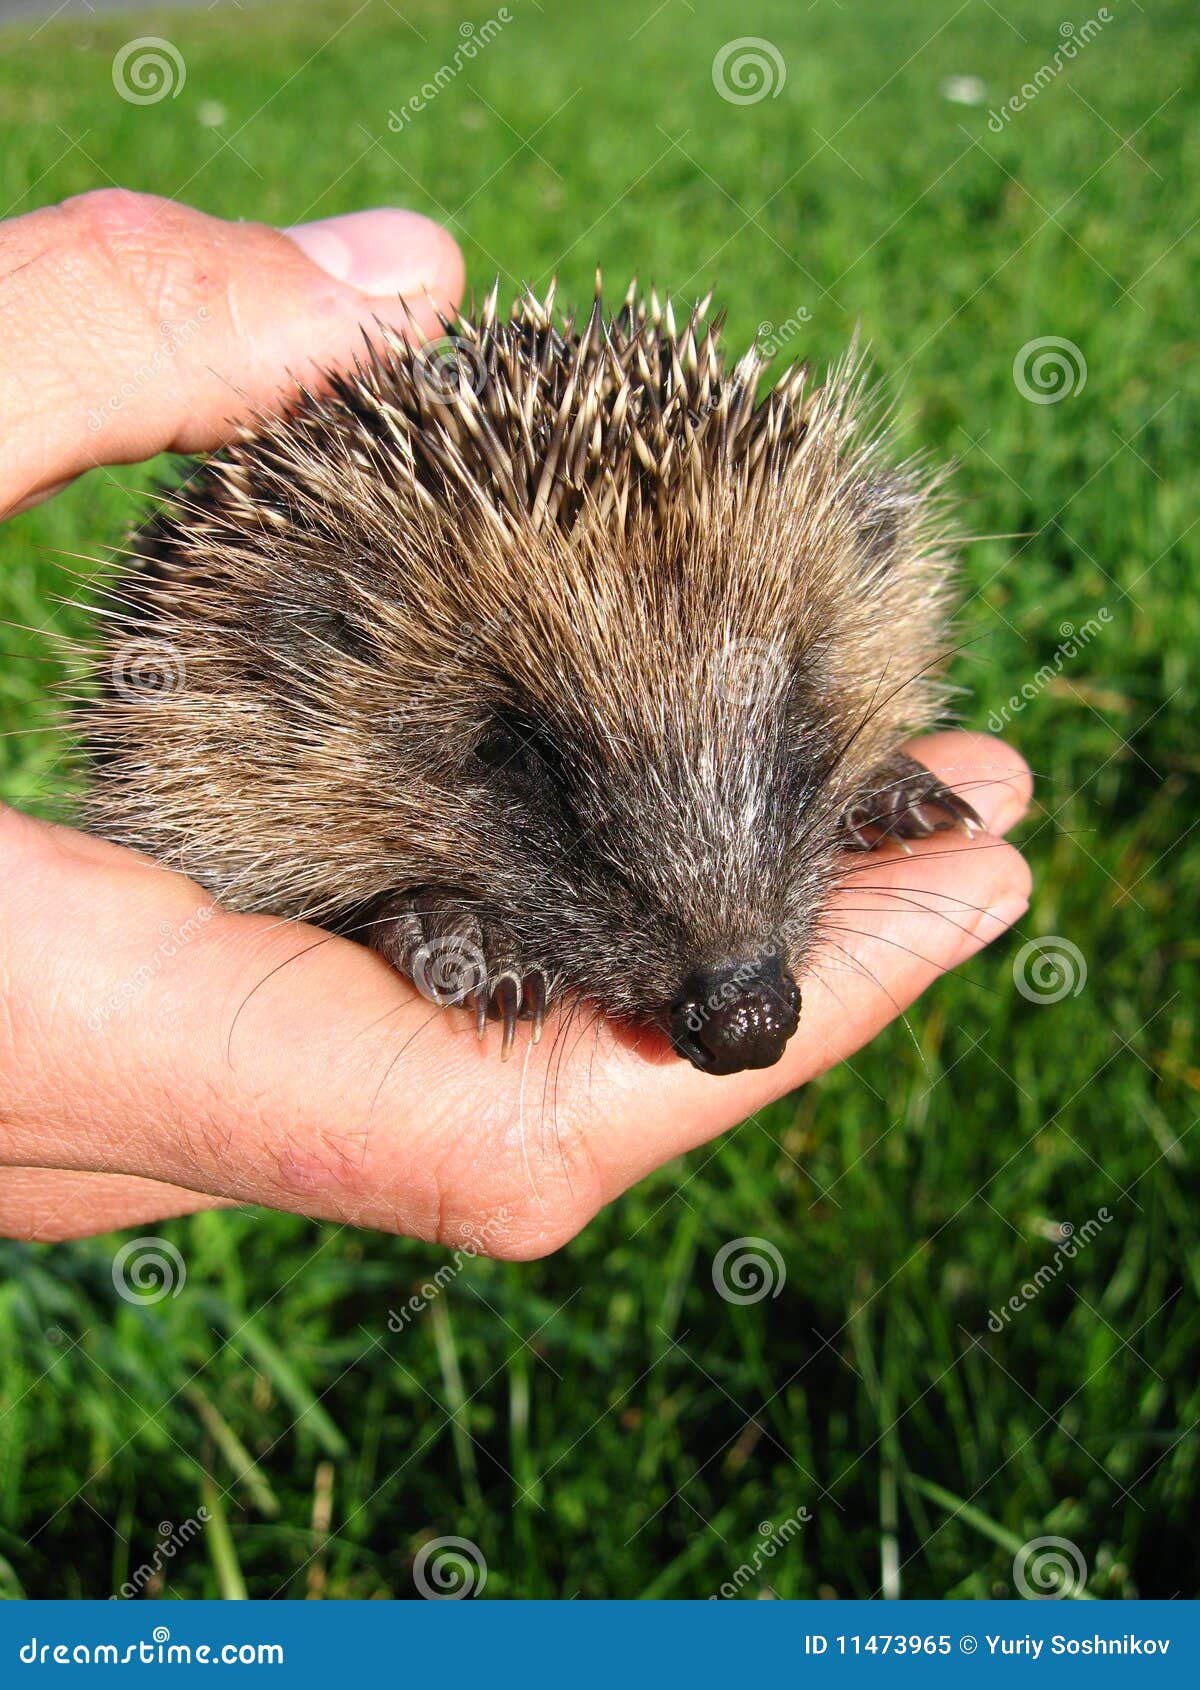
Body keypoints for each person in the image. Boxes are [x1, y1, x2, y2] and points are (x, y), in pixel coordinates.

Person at [0, 191, 1032, 1255]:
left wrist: (838, 786)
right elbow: (216, 855)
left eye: (786, 740)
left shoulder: (838, 572)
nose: (741, 975)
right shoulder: (269, 680)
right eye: (517, 760)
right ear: (306, 649)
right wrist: (387, 914)